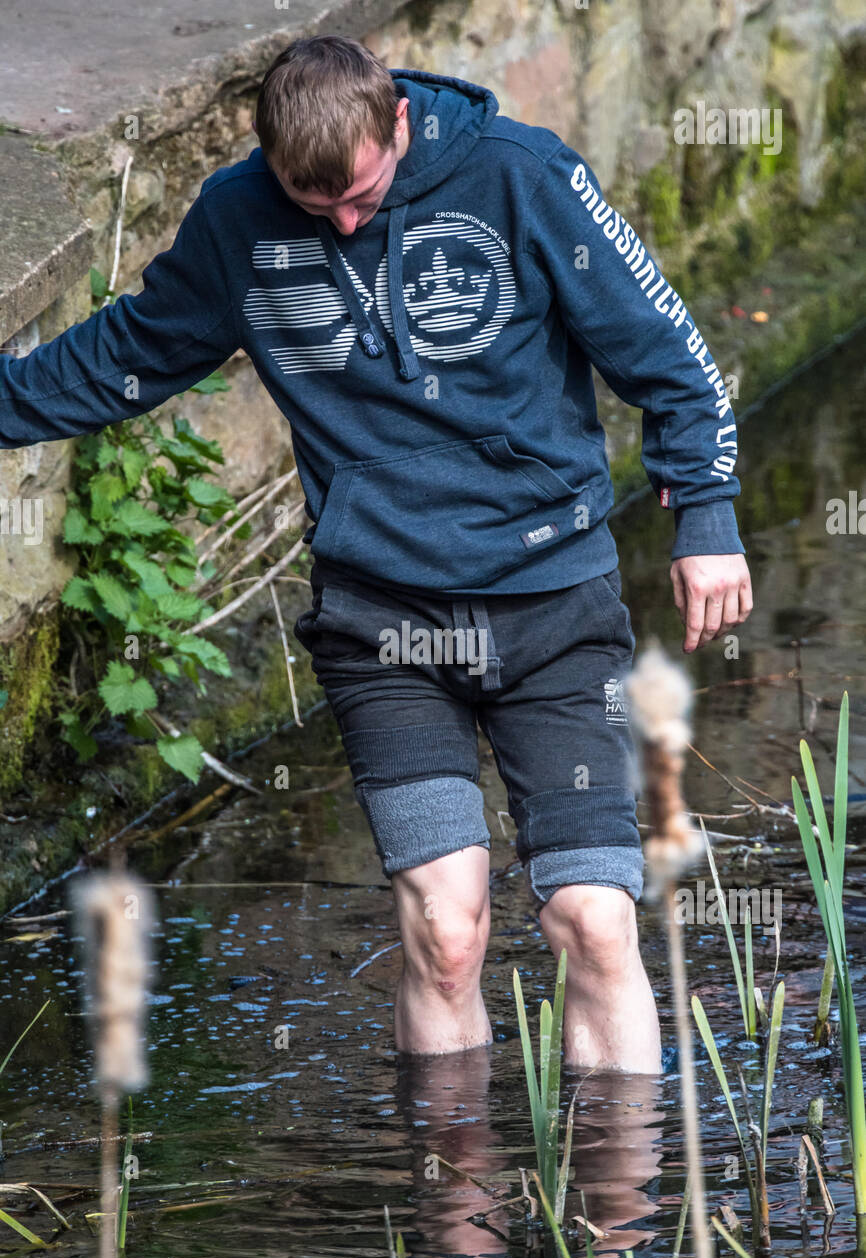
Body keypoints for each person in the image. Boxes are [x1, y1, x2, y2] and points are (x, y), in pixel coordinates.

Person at [0, 36, 752, 1070]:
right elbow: (129, 354)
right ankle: (457, 1214)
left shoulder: (524, 178)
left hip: (552, 609)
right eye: (317, 211)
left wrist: (704, 515)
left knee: (593, 921)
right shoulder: (238, 219)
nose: (346, 225)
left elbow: (668, 358)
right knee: (447, 932)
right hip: (383, 623)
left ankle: (617, 1226)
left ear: (397, 121)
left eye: (361, 197)